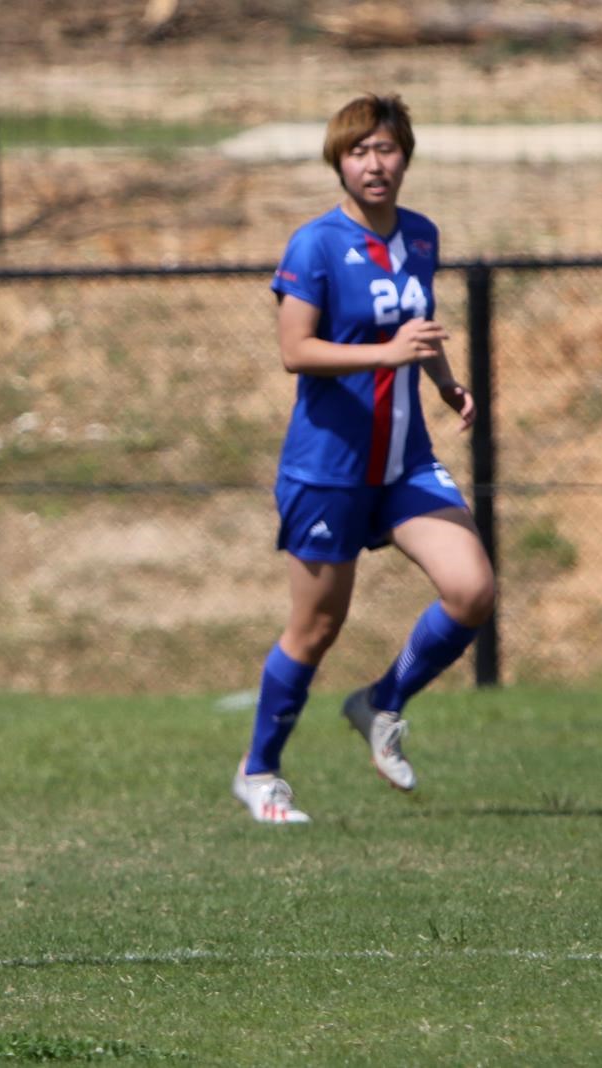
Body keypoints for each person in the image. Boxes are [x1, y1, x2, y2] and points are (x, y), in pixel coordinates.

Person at [232, 93, 496, 825]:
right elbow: (295, 351)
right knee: (315, 628)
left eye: (384, 150)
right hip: (330, 466)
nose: (372, 164)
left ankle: (380, 702)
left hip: (404, 461)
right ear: (337, 164)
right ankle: (260, 772)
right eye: (357, 152)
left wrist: (444, 382)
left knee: (471, 589)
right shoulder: (314, 245)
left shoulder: (419, 235)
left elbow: (417, 325)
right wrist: (388, 355)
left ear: (404, 155)